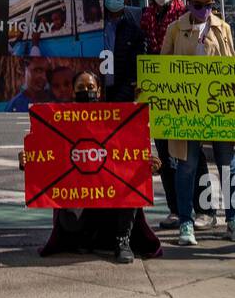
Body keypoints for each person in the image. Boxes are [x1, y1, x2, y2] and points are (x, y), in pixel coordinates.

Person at [18, 71, 163, 263]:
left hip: (112, 204)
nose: (86, 91)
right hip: (79, 208)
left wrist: (148, 165)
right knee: (71, 219)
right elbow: (48, 159)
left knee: (130, 187)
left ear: (99, 90)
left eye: (90, 87)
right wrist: (28, 162)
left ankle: (122, 241)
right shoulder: (59, 122)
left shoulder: (116, 122)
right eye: (81, 88)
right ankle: (83, 239)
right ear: (72, 92)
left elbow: (130, 161)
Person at [160, 0, 235, 246]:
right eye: (198, 5)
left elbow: (233, 65)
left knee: (228, 165)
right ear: (188, 3)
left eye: (208, 5)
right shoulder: (175, 29)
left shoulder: (223, 28)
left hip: (219, 108)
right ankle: (186, 223)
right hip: (187, 109)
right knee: (186, 167)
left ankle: (234, 219)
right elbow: (164, 67)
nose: (203, 10)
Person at [137, 0, 195, 230]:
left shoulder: (186, 14)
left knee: (191, 156)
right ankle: (175, 209)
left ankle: (200, 208)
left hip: (184, 93)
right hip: (159, 93)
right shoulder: (147, 15)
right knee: (166, 156)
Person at [101, 0, 145, 101]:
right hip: (96, 95)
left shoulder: (134, 31)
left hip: (121, 97)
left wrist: (121, 98)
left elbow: (134, 70)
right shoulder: (95, 26)